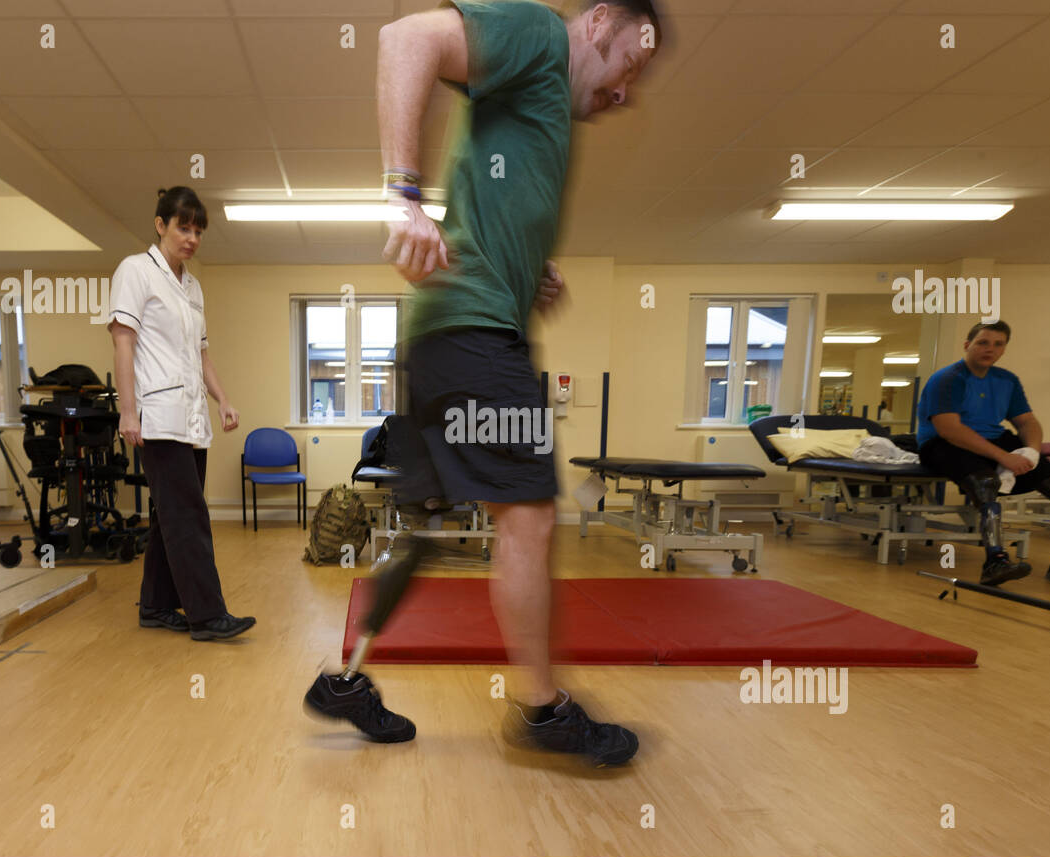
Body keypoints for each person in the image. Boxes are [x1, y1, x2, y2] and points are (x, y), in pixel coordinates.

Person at [305, 0, 663, 766]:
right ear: (599, 22)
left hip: (441, 338)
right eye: (628, 65)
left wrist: (529, 269)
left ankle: (346, 681)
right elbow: (408, 37)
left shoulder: (539, 112)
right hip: (476, 342)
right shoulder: (541, 34)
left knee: (427, 525)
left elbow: (488, 193)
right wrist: (401, 194)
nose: (625, 91)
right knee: (528, 518)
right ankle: (542, 712)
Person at [107, 186, 258, 641]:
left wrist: (223, 400)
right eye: (182, 227)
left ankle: (154, 606)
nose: (191, 237)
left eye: (198, 230)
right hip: (157, 418)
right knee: (189, 516)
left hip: (192, 421)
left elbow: (202, 354)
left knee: (168, 516)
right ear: (161, 225)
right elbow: (122, 342)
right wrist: (127, 412)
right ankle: (208, 615)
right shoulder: (135, 271)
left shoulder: (192, 287)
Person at [916, 320, 1050, 588]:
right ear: (967, 345)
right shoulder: (948, 379)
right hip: (942, 444)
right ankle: (995, 561)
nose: (990, 349)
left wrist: (1031, 452)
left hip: (993, 439)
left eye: (998, 344)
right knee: (986, 485)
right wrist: (1004, 458)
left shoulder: (1007, 380)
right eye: (982, 342)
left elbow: (1027, 423)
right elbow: (950, 430)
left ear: (1004, 349)